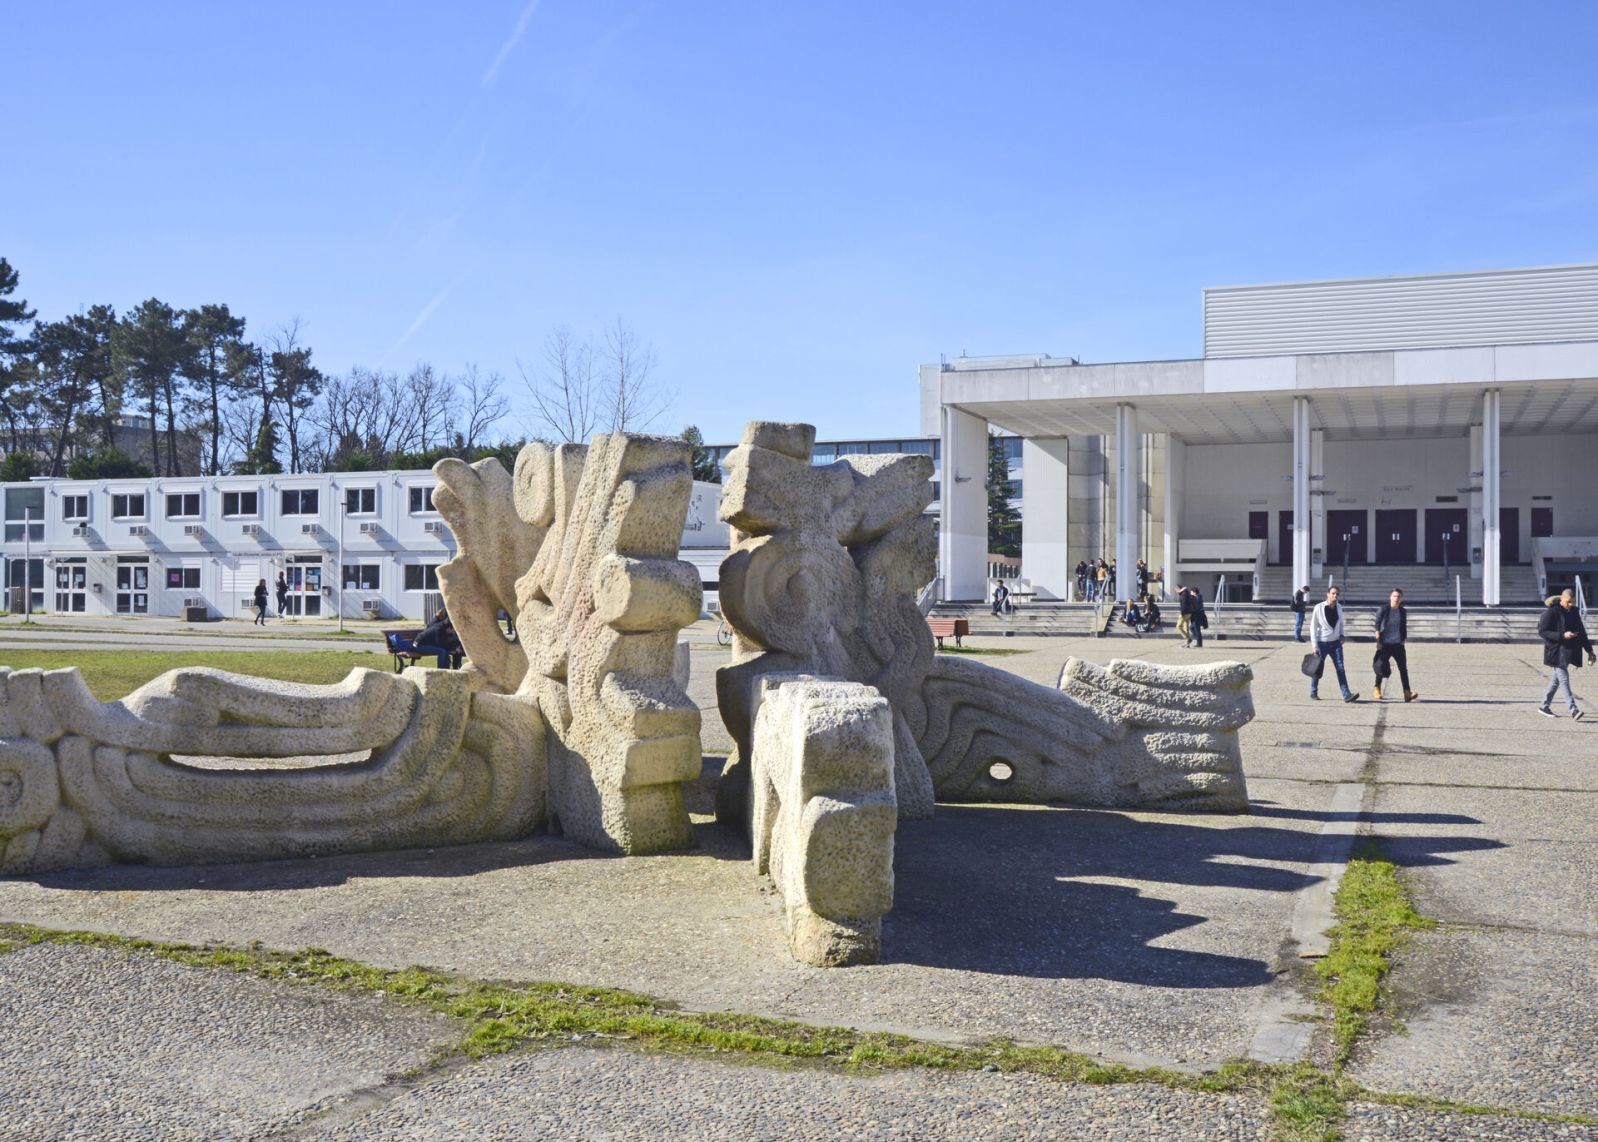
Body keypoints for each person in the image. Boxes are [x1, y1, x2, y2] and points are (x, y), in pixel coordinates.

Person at [1537, 588, 1595, 719]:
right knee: (1564, 679)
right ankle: (1573, 710)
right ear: (1561, 599)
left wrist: (1589, 650)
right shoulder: (1551, 612)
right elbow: (1543, 632)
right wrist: (1562, 635)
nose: (1570, 605)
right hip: (1556, 652)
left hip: (1569, 651)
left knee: (1555, 681)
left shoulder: (1574, 612)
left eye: (1573, 602)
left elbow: (1582, 632)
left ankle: (1544, 706)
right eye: (1568, 602)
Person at [1309, 584, 1358, 702]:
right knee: (1317, 668)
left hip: (1336, 644)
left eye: (1337, 594)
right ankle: (1313, 691)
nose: (1335, 596)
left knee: (1340, 668)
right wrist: (1314, 645)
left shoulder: (1339, 607)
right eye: (1333, 593)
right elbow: (1313, 627)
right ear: (1328, 594)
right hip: (1322, 643)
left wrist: (1342, 635)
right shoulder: (1318, 607)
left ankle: (1346, 695)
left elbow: (1341, 623)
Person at [1372, 588, 1417, 702]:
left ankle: (1407, 692)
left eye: (1398, 597)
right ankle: (1377, 688)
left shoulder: (1402, 611)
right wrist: (1378, 642)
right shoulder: (1384, 609)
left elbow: (1403, 625)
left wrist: (1403, 639)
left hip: (1398, 644)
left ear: (1401, 599)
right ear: (1390, 597)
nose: (1396, 599)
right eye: (1394, 596)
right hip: (1385, 645)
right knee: (1381, 666)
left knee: (1403, 669)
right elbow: (1377, 624)